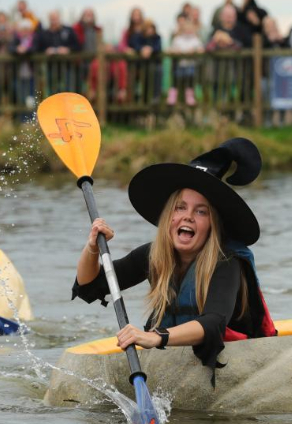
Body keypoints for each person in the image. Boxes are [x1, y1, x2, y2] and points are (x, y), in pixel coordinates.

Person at [72, 139, 277, 387]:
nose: (188, 216)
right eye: (180, 207)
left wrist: (156, 338)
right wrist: (92, 247)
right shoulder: (154, 255)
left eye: (201, 211)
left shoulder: (227, 263)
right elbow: (90, 285)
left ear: (213, 224)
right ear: (169, 216)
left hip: (230, 362)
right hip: (172, 354)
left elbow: (213, 324)